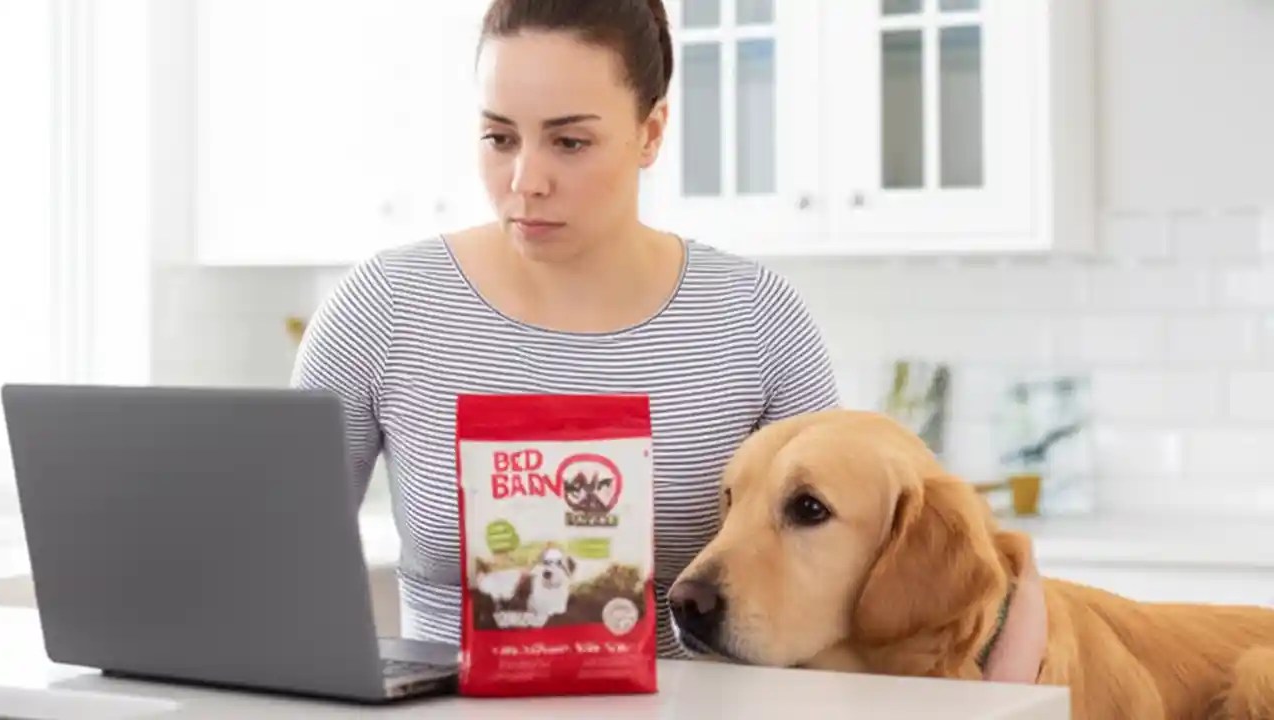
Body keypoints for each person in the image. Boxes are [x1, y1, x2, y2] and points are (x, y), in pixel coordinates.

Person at [292, 0, 1046, 681]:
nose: (525, 181)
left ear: (651, 132)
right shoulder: (382, 309)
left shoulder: (757, 320)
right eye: (498, 137)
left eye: (571, 143)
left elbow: (860, 577)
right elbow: (276, 573)